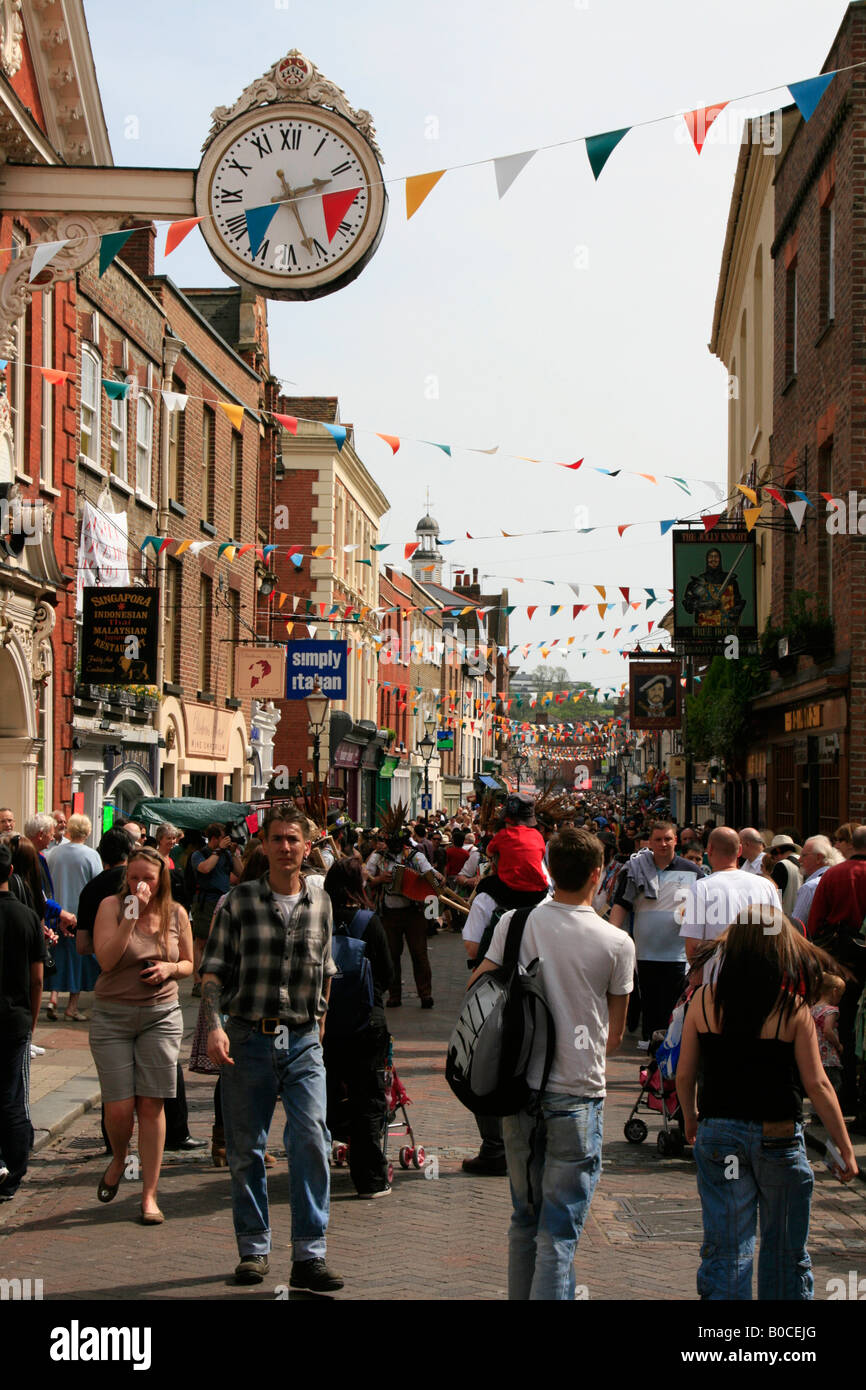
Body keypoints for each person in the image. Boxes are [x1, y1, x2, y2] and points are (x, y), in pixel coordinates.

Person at [469, 827, 634, 1300]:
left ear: (550, 871)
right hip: (576, 1092)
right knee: (559, 1231)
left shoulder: (514, 923)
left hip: (519, 1089)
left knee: (525, 1218)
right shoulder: (616, 942)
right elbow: (614, 1036)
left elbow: (478, 985)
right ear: (597, 875)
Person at [676, 909, 858, 1300]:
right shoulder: (792, 1008)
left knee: (727, 1244)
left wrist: (691, 1117)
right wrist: (843, 1145)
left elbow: (685, 1074)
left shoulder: (703, 1001)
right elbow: (818, 1084)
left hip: (720, 1131)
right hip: (777, 1133)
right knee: (785, 1247)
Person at [201, 805, 344, 1293]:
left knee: (312, 1140)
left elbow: (326, 968)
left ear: (307, 847)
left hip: (302, 1040)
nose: (285, 847)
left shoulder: (321, 902)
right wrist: (214, 1028)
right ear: (263, 846)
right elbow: (213, 972)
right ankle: (254, 1249)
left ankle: (310, 1254)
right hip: (247, 1038)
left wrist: (320, 1020)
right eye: (277, 839)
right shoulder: (238, 901)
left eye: (293, 840)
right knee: (247, 1148)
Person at [91, 846, 193, 1223]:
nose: (140, 884)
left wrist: (170, 969)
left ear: (161, 879)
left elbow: (189, 962)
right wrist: (130, 917)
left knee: (152, 1104)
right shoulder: (111, 907)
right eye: (133, 877)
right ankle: (120, 1158)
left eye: (147, 878)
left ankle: (149, 1195)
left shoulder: (176, 913)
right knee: (119, 1108)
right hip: (113, 1017)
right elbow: (106, 960)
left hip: (160, 1015)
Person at [321, 858, 393, 1197]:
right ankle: (370, 1179)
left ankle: (314, 1172)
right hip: (366, 1022)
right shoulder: (368, 921)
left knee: (324, 1092)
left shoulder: (318, 919)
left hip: (324, 1022)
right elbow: (388, 973)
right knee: (367, 1097)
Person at [608, 822, 702, 1041]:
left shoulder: (692, 871)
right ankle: (650, 1053)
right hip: (645, 955)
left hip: (679, 956)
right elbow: (621, 905)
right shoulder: (635, 870)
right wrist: (610, 938)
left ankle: (670, 1051)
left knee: (674, 1011)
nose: (663, 844)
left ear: (676, 841)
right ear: (650, 842)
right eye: (658, 839)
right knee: (650, 1010)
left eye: (668, 839)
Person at [806, 824, 866, 1115]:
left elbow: (815, 924)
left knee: (841, 1028)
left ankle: (845, 1096)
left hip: (841, 965)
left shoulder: (833, 875)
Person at [0, 842, 46, 1201]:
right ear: (11, 872)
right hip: (14, 1019)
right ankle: (13, 1173)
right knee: (11, 1097)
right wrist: (31, 1019)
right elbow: (37, 978)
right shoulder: (27, 917)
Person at [678, 827, 782, 981]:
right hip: (760, 978)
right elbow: (777, 935)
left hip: (716, 979)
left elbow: (693, 945)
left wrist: (699, 982)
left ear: (709, 850)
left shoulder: (701, 887)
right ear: (739, 850)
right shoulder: (767, 886)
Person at [44, 813, 102, 1022]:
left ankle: (53, 999)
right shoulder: (91, 855)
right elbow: (97, 886)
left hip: (55, 914)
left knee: (57, 957)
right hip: (78, 916)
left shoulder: (53, 853)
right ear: (87, 832)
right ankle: (72, 1006)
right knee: (77, 962)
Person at [380, 830, 439, 1010]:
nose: (394, 846)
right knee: (392, 955)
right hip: (390, 913)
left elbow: (430, 873)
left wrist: (437, 878)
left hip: (414, 912)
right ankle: (394, 995)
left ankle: (425, 994)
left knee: (419, 953)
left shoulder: (416, 857)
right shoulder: (378, 858)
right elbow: (365, 878)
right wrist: (379, 879)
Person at [189, 824, 244, 993]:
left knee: (221, 941)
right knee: (201, 941)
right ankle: (198, 981)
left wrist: (234, 854)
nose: (226, 840)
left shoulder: (226, 854)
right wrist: (218, 850)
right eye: (223, 837)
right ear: (214, 838)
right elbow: (205, 868)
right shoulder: (199, 854)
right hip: (206, 902)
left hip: (224, 901)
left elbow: (241, 873)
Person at [792, 836, 841, 931]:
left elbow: (796, 927)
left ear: (819, 858)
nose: (799, 860)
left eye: (804, 855)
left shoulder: (810, 887)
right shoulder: (838, 880)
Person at [811, 973, 846, 1105]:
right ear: (834, 991)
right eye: (840, 995)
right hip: (828, 1057)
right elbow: (828, 1031)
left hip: (815, 1055)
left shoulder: (812, 1009)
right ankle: (830, 1109)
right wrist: (838, 1045)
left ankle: (816, 1111)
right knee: (833, 1085)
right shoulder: (831, 1011)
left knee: (818, 1086)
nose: (840, 999)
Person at [768, 835, 803, 916]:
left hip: (785, 917)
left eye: (773, 855)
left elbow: (775, 898)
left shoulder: (781, 866)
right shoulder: (805, 862)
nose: (773, 859)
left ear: (778, 852)